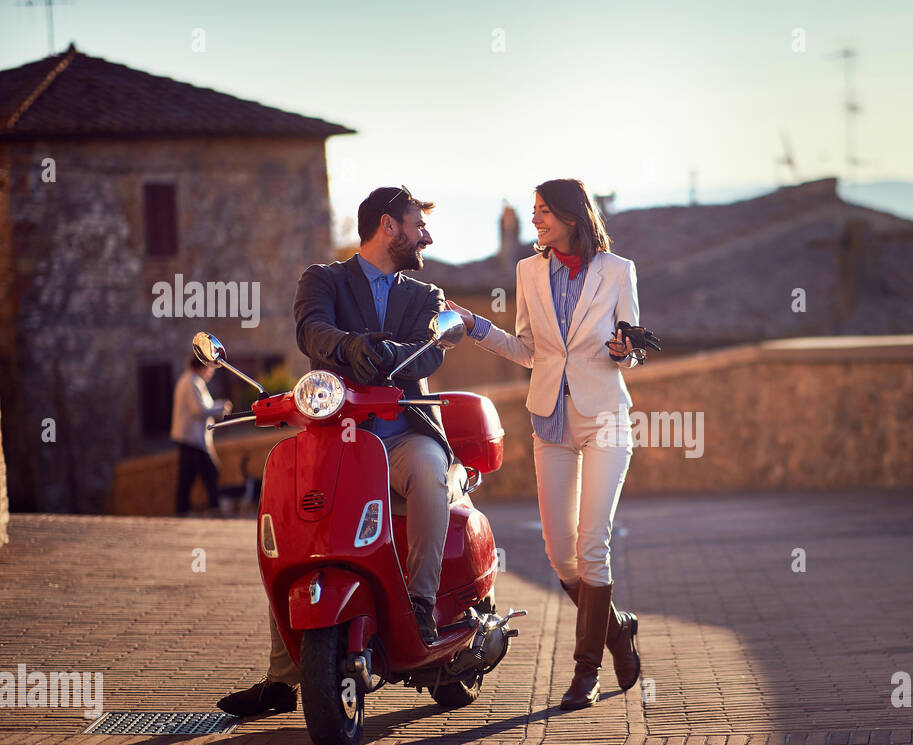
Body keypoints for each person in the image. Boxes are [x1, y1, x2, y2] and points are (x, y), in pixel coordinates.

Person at [218, 185, 456, 717]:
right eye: (418, 226)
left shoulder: (426, 296)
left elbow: (427, 352)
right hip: (336, 439)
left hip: (401, 436)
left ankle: (419, 605)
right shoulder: (321, 279)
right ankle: (282, 678)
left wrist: (381, 354)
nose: (427, 237)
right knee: (291, 530)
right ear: (388, 226)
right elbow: (312, 331)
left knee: (430, 473)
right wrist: (349, 347)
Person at [448, 178, 643, 710]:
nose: (535, 219)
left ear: (571, 216)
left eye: (543, 211)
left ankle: (586, 673)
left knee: (592, 544)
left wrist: (624, 350)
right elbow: (529, 349)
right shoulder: (528, 272)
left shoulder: (617, 270)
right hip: (549, 421)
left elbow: (629, 347)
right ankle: (617, 627)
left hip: (604, 418)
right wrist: (474, 326)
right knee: (561, 558)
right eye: (532, 211)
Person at [171, 355, 232, 516]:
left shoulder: (192, 381)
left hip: (194, 439)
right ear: (203, 366)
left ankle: (185, 510)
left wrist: (219, 407)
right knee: (207, 473)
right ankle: (210, 508)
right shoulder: (191, 382)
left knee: (190, 477)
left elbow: (204, 406)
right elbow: (198, 410)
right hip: (192, 439)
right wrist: (220, 409)